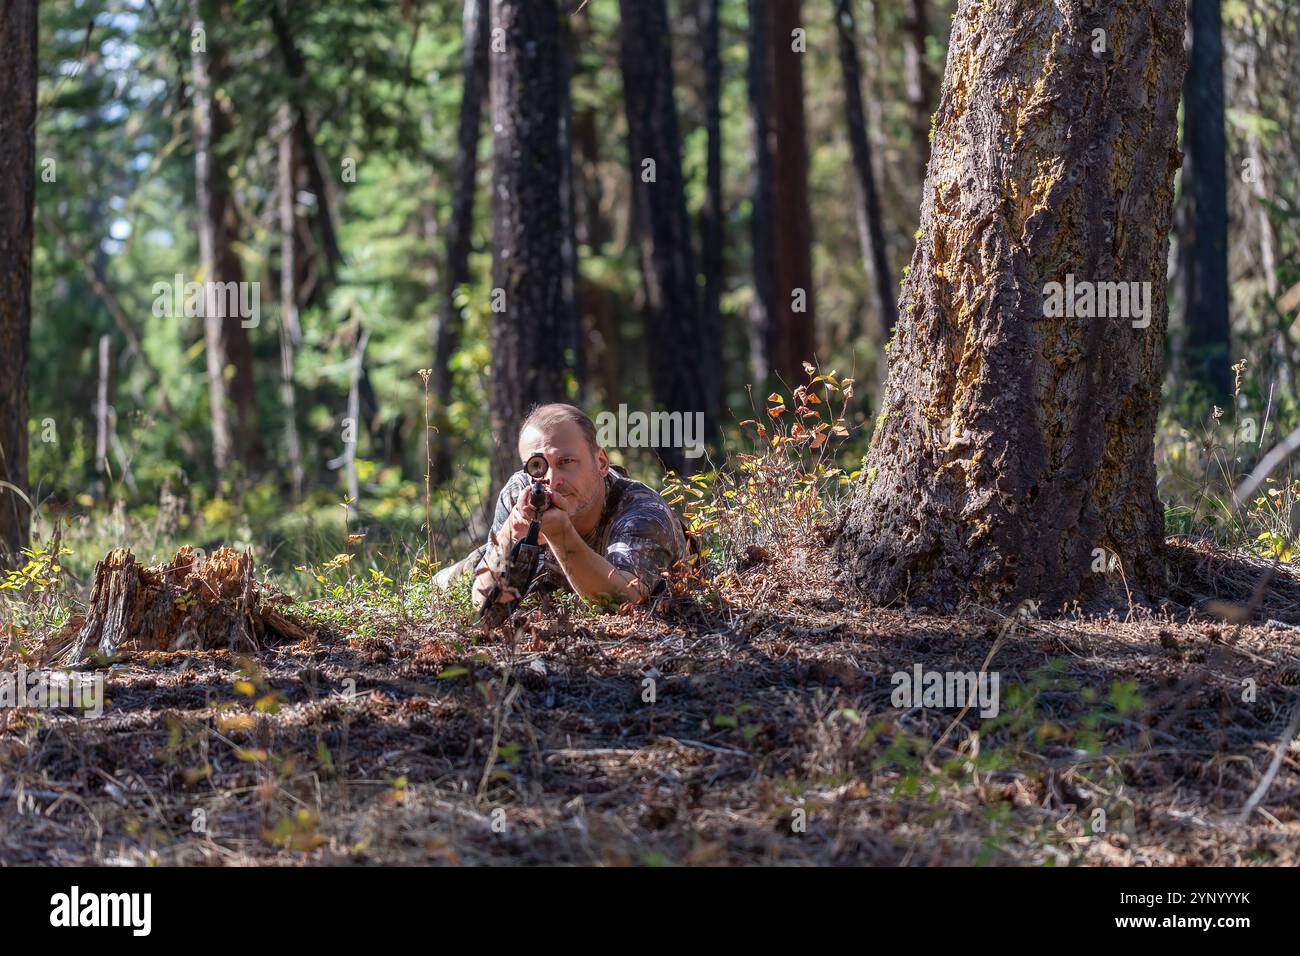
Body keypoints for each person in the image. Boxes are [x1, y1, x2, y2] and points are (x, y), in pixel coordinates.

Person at [433, 403, 690, 615]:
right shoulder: (519, 493)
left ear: (600, 462)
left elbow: (625, 599)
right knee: (441, 584)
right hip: (516, 572)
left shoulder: (641, 511)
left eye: (566, 461)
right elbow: (482, 604)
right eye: (537, 465)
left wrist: (559, 534)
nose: (552, 480)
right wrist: (512, 530)